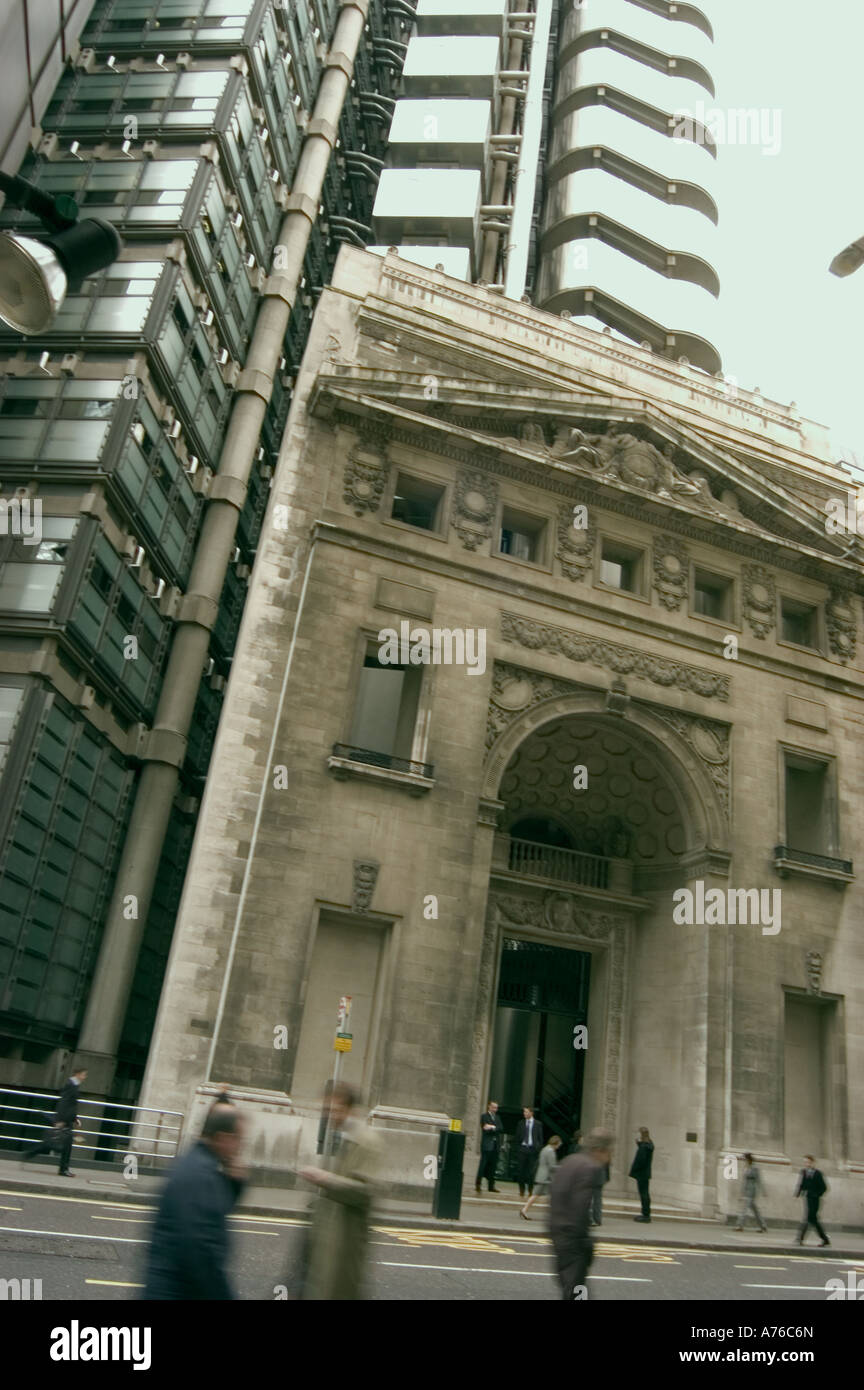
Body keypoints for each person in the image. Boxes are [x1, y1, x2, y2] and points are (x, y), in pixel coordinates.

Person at [142, 1102, 247, 1299]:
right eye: (239, 1140)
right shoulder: (200, 1176)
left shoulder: (200, 1165)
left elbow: (215, 1214)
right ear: (224, 1138)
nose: (241, 1147)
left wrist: (235, 1184)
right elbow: (199, 1251)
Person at [299, 1081, 380, 1299]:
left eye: (334, 1110)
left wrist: (325, 1179)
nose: (329, 1115)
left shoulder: (366, 1141)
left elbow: (368, 1190)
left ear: (350, 1110)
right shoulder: (343, 1136)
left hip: (345, 1242)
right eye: (326, 1110)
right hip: (329, 1241)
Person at [550, 1127, 614, 1300]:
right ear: (601, 1150)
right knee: (577, 1293)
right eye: (610, 1152)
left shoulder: (569, 1161)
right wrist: (586, 1244)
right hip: (574, 1244)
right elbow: (579, 1209)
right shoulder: (589, 1168)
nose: (610, 1157)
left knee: (573, 1292)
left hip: (559, 1237)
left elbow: (555, 1199)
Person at [22, 1067, 87, 1177]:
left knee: (64, 1145)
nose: (85, 1077)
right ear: (78, 1074)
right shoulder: (70, 1085)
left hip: (67, 1119)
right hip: (64, 1120)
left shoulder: (74, 1085)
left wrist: (75, 1118)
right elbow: (64, 1103)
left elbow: (71, 1105)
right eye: (84, 1074)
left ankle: (62, 1168)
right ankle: (62, 1169)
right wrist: (60, 1120)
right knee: (58, 1144)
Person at [520, 1134, 561, 1219]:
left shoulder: (544, 1149)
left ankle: (524, 1210)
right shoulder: (551, 1152)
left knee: (537, 1195)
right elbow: (552, 1166)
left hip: (541, 1176)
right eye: (558, 1145)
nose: (558, 1147)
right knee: (539, 1195)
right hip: (546, 1178)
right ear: (556, 1143)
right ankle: (525, 1210)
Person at [794, 1155, 830, 1247]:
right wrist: (797, 1194)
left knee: (810, 1218)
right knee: (812, 1219)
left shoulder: (818, 1173)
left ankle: (800, 1238)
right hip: (807, 1198)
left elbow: (824, 1187)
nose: (806, 1164)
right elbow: (801, 1184)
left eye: (808, 1162)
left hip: (815, 1199)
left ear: (813, 1163)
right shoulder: (803, 1172)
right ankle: (824, 1239)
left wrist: (817, 1194)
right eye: (805, 1162)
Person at [515, 1106, 544, 1198]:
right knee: (521, 1171)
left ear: (531, 1113)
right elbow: (517, 1136)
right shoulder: (521, 1123)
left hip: (532, 1150)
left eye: (526, 1112)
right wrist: (518, 1147)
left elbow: (540, 1138)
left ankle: (530, 1190)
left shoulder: (538, 1124)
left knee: (531, 1172)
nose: (524, 1114)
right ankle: (521, 1190)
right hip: (522, 1149)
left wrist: (538, 1148)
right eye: (524, 1112)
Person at [734, 1153, 767, 1233]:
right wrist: (742, 1192)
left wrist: (763, 1191)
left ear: (748, 1159)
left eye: (744, 1159)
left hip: (752, 1191)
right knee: (755, 1210)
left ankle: (740, 1226)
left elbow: (758, 1180)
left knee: (744, 1209)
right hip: (747, 1190)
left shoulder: (755, 1168)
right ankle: (763, 1226)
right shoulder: (746, 1168)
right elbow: (744, 1181)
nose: (744, 1161)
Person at [475, 1100, 503, 1193]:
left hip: (495, 1145)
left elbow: (500, 1128)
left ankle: (491, 1186)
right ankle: (478, 1184)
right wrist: (493, 1128)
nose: (495, 1109)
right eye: (494, 1107)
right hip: (487, 1145)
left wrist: (491, 1127)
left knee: (493, 1166)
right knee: (483, 1165)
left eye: (496, 1108)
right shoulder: (484, 1116)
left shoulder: (497, 1117)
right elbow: (485, 1129)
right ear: (489, 1107)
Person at [629, 1126, 654, 1222]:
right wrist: (639, 1144)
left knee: (643, 1193)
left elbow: (641, 1160)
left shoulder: (644, 1147)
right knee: (645, 1193)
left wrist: (635, 1170)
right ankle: (645, 1213)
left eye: (639, 1133)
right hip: (645, 1173)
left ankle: (646, 1215)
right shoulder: (648, 1144)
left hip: (642, 1173)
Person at [590, 1158, 610, 1228]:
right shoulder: (604, 1151)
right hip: (601, 1176)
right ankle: (597, 1219)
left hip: (592, 1175)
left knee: (590, 1198)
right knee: (597, 1198)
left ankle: (591, 1219)